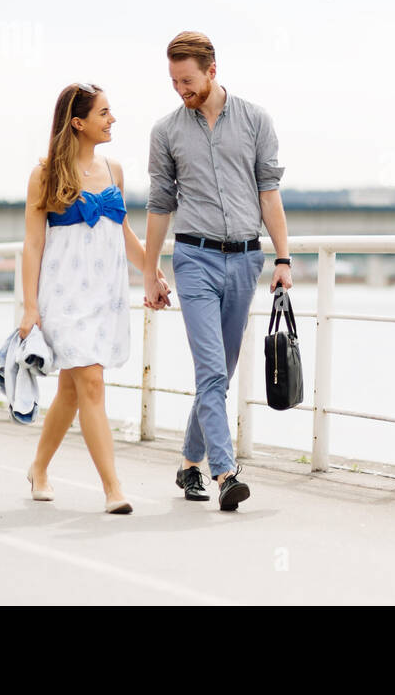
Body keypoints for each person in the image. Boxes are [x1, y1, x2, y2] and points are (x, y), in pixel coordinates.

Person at [144, 31, 291, 511]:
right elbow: (160, 206)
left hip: (246, 260)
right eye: (173, 80)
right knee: (210, 370)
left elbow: (269, 194)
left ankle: (189, 463)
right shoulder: (166, 132)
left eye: (187, 79)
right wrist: (150, 272)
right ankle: (225, 473)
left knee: (219, 376)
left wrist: (283, 259)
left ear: (212, 71)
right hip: (194, 259)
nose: (180, 89)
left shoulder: (255, 120)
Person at [20, 82, 172, 514]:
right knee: (91, 382)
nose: (113, 120)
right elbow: (32, 245)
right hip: (63, 296)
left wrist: (152, 274)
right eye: (104, 113)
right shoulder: (44, 175)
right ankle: (113, 489)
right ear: (78, 122)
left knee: (72, 389)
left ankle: (39, 468)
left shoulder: (114, 170)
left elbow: (121, 233)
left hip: (105, 294)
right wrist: (30, 306)